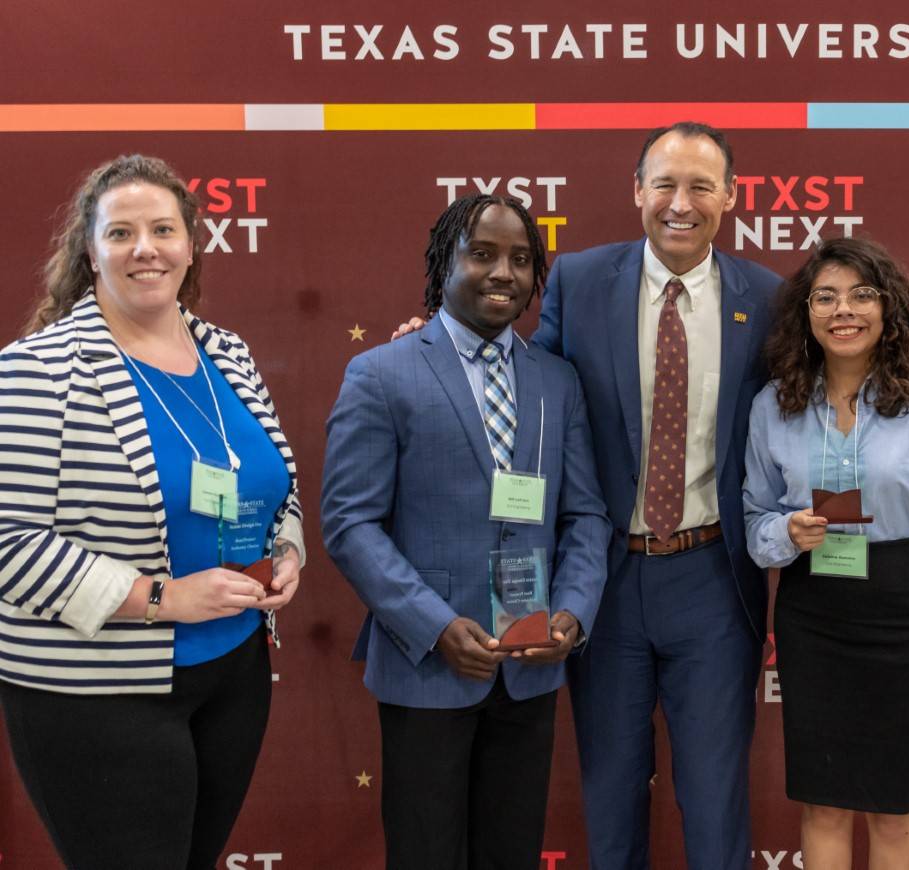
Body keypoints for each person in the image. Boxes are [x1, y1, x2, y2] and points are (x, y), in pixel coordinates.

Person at [391, 121, 781, 868]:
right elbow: (522, 375)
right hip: (603, 578)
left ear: (730, 196)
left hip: (712, 578)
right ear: (637, 191)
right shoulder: (577, 278)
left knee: (716, 798)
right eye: (664, 184)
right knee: (610, 791)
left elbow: (813, 390)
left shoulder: (765, 296)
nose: (681, 203)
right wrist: (432, 344)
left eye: (701, 186)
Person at [0, 154, 304, 870]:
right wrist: (161, 597)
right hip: (97, 691)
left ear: (192, 244)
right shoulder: (37, 369)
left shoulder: (228, 354)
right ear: (90, 251)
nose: (146, 248)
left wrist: (287, 549)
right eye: (121, 233)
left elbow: (277, 485)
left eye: (163, 230)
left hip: (232, 672)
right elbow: (9, 543)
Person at [321, 193, 609, 870]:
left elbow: (585, 515)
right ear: (444, 265)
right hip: (429, 665)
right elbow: (350, 522)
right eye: (482, 254)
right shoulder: (381, 373)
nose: (503, 272)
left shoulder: (558, 381)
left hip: (530, 667)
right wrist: (435, 626)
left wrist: (572, 613)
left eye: (521, 259)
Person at [743, 237, 909, 870]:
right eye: (825, 297)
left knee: (894, 806)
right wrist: (785, 533)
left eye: (861, 295)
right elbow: (755, 520)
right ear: (805, 312)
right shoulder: (774, 405)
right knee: (824, 804)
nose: (843, 311)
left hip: (908, 617)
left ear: (889, 308)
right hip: (815, 617)